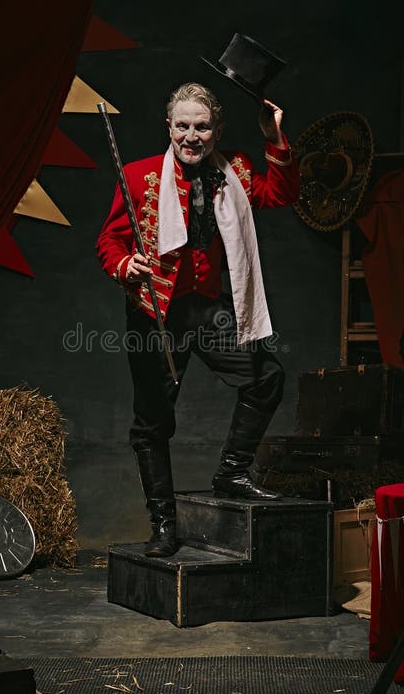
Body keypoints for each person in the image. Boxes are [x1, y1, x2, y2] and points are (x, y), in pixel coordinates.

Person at [96, 81, 300, 558]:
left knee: (266, 376)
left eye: (202, 126)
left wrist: (274, 138)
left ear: (218, 130)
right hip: (155, 312)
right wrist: (127, 266)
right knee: (152, 423)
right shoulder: (139, 175)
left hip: (208, 310)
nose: (192, 136)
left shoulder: (237, 171)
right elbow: (109, 242)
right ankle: (164, 523)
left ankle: (231, 472)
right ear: (169, 127)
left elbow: (282, 192)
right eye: (183, 126)